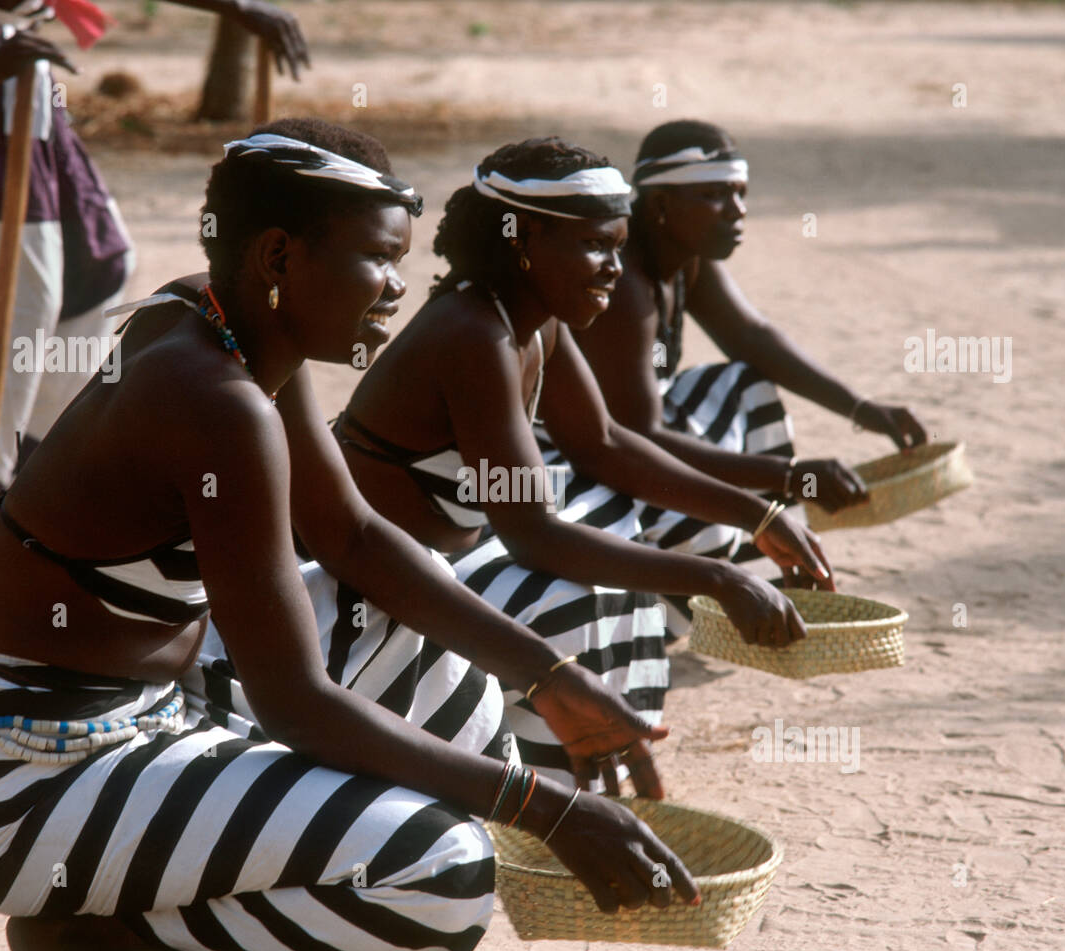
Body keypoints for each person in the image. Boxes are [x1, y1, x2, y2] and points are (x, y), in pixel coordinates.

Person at [0, 119, 697, 951]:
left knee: (449, 674)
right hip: (29, 787)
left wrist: (553, 680)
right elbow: (294, 699)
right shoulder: (218, 401)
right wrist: (544, 806)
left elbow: (354, 533)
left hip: (143, 713)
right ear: (278, 259)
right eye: (377, 260)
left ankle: (118, 915)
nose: (398, 289)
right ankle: (105, 925)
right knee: (440, 864)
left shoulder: (224, 327)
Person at [337, 136, 835, 786]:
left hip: (453, 552)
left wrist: (758, 513)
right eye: (594, 245)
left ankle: (603, 779)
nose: (611, 266)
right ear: (523, 241)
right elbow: (533, 534)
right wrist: (717, 576)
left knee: (613, 574)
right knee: (580, 595)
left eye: (618, 246)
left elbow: (602, 441)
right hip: (373, 579)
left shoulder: (533, 318)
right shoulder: (473, 333)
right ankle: (565, 805)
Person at [0, 0, 310, 557]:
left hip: (14, 61)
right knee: (4, 304)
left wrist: (237, 7)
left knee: (100, 268)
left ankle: (21, 467)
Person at [568, 120, 929, 629]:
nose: (737, 211)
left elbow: (752, 337)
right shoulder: (626, 286)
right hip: (583, 452)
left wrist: (862, 409)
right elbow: (634, 436)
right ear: (660, 205)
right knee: (709, 529)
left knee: (745, 381)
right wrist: (789, 478)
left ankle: (772, 568)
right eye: (714, 195)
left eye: (739, 193)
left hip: (640, 426)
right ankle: (712, 598)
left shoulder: (685, 256)